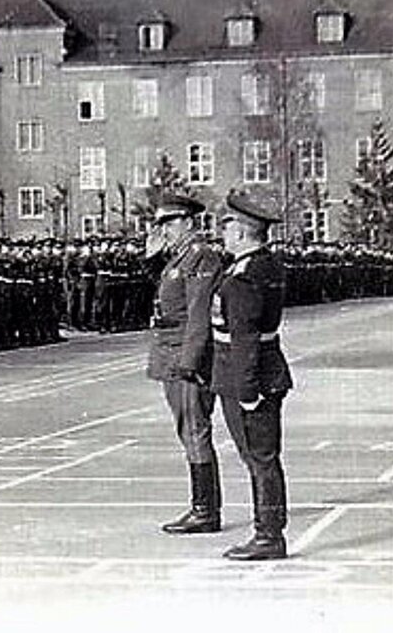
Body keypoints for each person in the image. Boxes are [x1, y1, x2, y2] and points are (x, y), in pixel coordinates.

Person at [210, 189, 293, 561]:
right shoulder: (266, 265)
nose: (223, 235)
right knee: (263, 456)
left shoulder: (244, 276)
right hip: (266, 367)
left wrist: (245, 389)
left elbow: (244, 337)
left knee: (259, 457)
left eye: (228, 228)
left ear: (242, 232)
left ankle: (268, 535)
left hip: (249, 374)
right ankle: (270, 529)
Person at [144, 194, 223, 535]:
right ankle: (203, 506)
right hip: (170, 352)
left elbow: (198, 314)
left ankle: (205, 510)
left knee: (194, 429)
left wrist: (191, 361)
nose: (164, 231)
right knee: (187, 430)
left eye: (170, 223)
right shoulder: (178, 258)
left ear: (189, 223)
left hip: (184, 356)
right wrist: (150, 261)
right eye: (161, 224)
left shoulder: (201, 256)